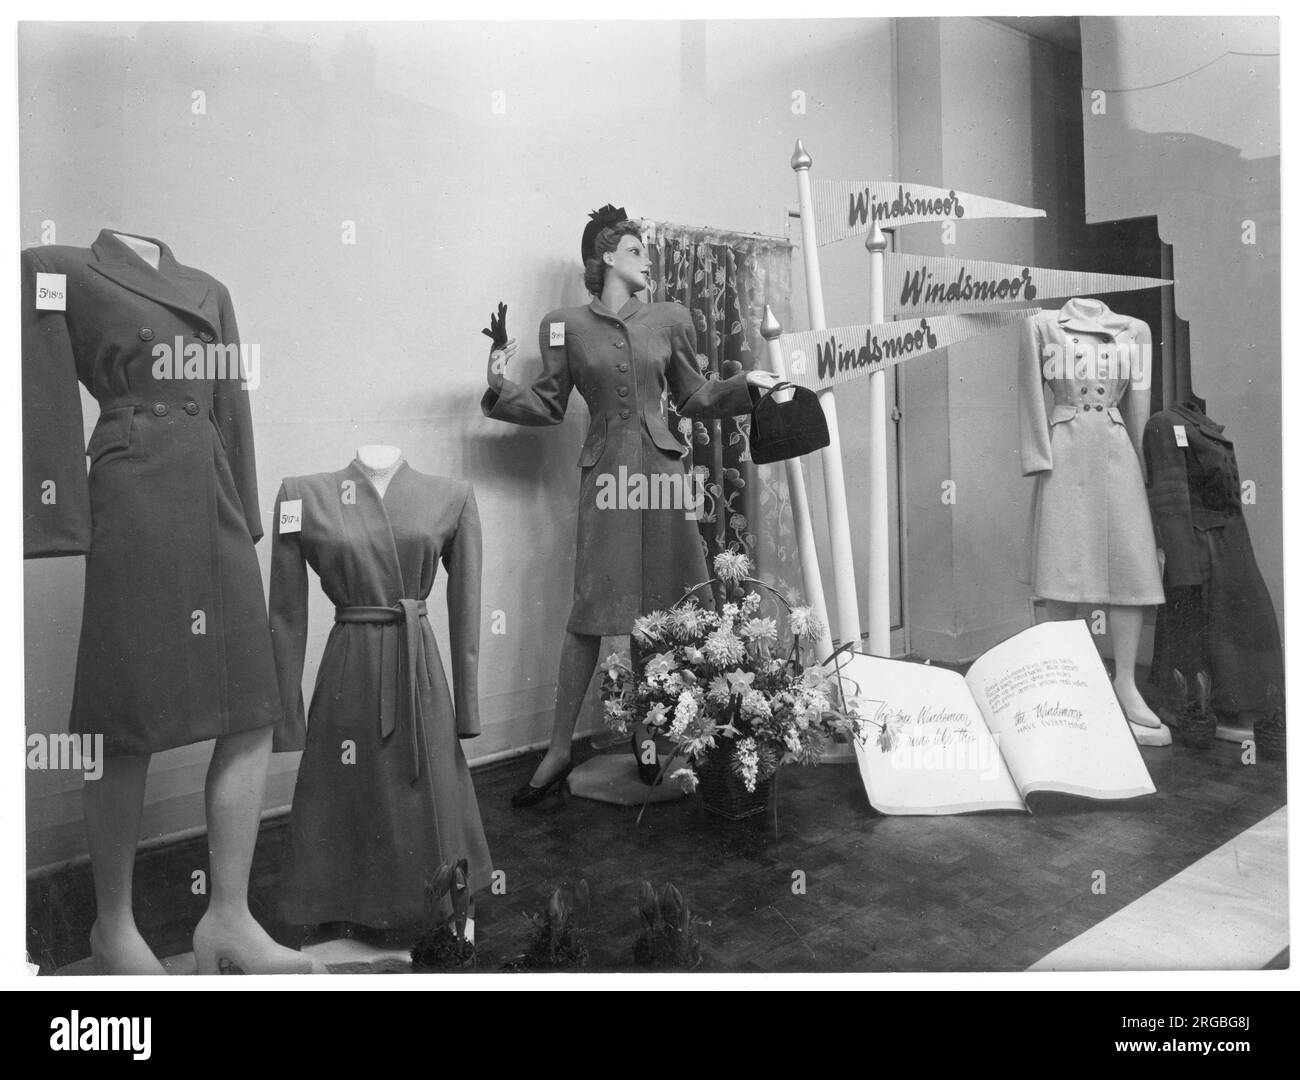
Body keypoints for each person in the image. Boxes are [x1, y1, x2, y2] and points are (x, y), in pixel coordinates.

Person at [482, 206, 780, 806]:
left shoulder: (669, 318)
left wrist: (748, 384)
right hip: (607, 473)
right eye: (637, 251)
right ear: (607, 258)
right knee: (594, 607)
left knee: (658, 606)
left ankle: (645, 729)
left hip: (664, 472)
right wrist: (496, 380)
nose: (648, 260)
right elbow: (546, 404)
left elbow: (694, 396)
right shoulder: (563, 325)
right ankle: (560, 748)